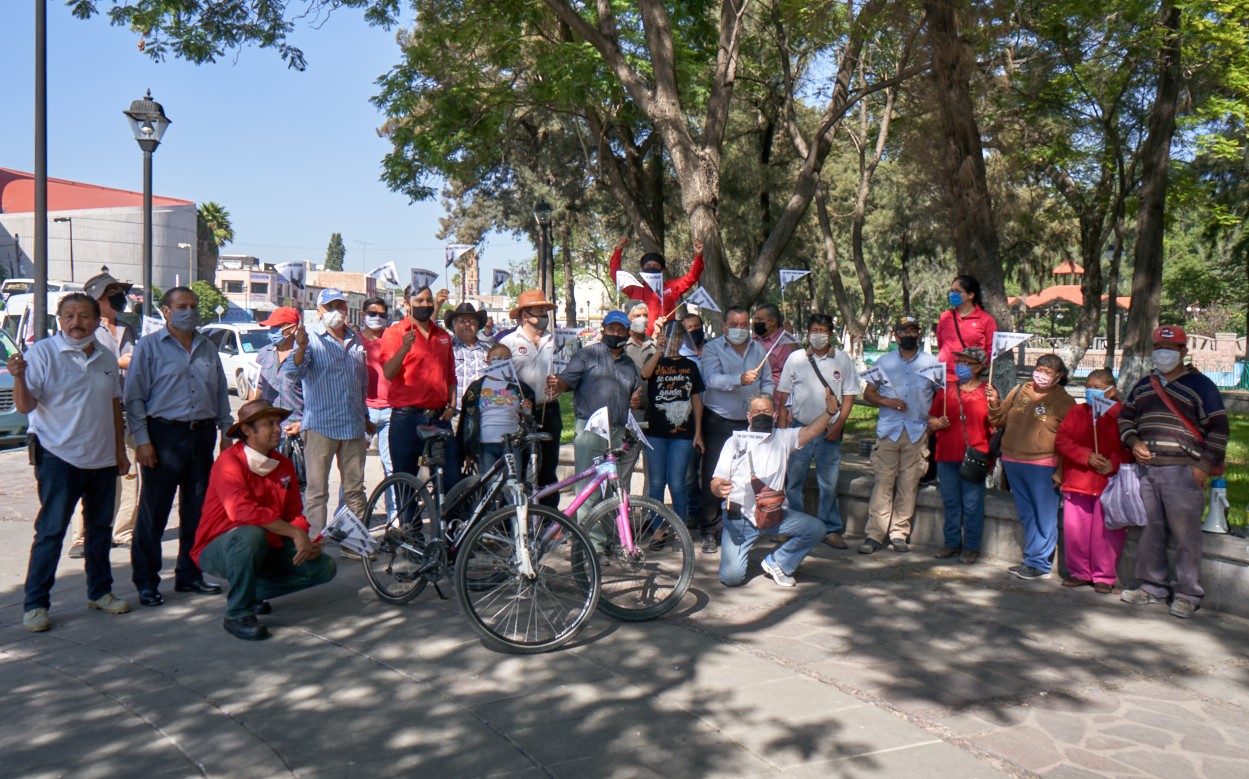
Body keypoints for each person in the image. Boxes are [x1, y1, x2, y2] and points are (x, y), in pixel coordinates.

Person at [12, 293, 132, 632]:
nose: (76, 322)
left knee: (99, 531)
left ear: (96, 321)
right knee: (51, 532)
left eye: (83, 316)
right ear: (60, 320)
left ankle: (100, 591)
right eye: (69, 316)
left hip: (102, 458)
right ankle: (36, 605)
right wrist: (19, 377)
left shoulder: (107, 357)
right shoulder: (42, 354)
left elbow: (113, 403)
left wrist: (119, 452)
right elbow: (25, 407)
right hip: (58, 457)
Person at [192, 400, 337, 641]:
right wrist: (294, 533)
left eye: (278, 423)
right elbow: (242, 512)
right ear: (247, 430)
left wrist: (304, 539)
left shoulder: (283, 463)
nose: (278, 429)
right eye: (269, 424)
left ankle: (249, 592)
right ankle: (238, 613)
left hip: (269, 544)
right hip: (220, 546)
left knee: (324, 567)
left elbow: (294, 513)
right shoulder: (229, 462)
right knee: (251, 534)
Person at [126, 287, 232, 607]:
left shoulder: (207, 347)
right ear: (166, 311)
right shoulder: (149, 347)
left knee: (197, 511)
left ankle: (190, 573)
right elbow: (134, 399)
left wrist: (227, 431)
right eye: (181, 306)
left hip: (202, 437)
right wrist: (143, 441)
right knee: (154, 511)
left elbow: (221, 394)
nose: (189, 311)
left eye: (193, 306)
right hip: (163, 437)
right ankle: (146, 581)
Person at [1118, 325, 1229, 619]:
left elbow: (1219, 428)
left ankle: (1187, 593)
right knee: (1150, 530)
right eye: (1158, 349)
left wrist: (1204, 465)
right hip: (1148, 468)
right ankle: (1152, 586)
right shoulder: (1143, 385)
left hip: (1184, 471)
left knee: (1186, 535)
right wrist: (1133, 441)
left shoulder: (1202, 386)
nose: (1163, 354)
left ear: (1183, 351)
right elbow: (1125, 417)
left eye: (1170, 349)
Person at [712, 391, 842, 587]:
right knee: (731, 578)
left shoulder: (783, 437)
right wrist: (718, 488)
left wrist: (830, 412)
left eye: (766, 411)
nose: (761, 415)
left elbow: (812, 431)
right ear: (748, 416)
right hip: (740, 517)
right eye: (756, 411)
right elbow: (716, 481)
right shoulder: (734, 442)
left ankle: (779, 562)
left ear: (774, 415)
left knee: (816, 529)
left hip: (774, 513)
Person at [288, 288, 373, 541]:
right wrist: (300, 348)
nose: (336, 311)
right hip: (320, 427)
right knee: (316, 491)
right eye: (330, 306)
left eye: (340, 306)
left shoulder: (355, 339)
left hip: (353, 426)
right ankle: (313, 544)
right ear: (319, 311)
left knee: (354, 491)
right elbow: (293, 373)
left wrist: (366, 417)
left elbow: (361, 383)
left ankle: (353, 542)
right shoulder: (309, 337)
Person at [546, 310, 643, 522]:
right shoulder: (587, 355)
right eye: (611, 329)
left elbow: (636, 395)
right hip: (592, 431)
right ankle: (588, 547)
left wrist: (636, 400)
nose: (615, 333)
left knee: (615, 491)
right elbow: (566, 380)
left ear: (627, 333)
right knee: (590, 491)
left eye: (620, 330)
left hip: (620, 433)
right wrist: (558, 384)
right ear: (603, 330)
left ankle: (607, 541)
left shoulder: (630, 365)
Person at [68, 272, 139, 558]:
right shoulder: (85, 329)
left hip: (128, 409)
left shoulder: (127, 328)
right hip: (95, 412)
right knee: (90, 474)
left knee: (131, 473)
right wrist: (117, 362)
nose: (120, 298)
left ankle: (124, 531)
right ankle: (82, 536)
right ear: (99, 298)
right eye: (113, 293)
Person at [987, 353, 1076, 580]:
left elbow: (1069, 439)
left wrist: (1060, 471)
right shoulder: (1019, 391)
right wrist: (995, 402)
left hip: (1044, 464)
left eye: (1048, 371)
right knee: (1027, 513)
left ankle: (1039, 563)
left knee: (1044, 515)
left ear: (1059, 376)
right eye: (1040, 368)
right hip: (1013, 460)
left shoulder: (1065, 402)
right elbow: (999, 421)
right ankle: (1031, 558)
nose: (1042, 374)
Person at [776, 313, 860, 549]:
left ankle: (830, 529)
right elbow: (783, 394)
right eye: (815, 330)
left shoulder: (842, 359)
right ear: (808, 332)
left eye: (823, 331)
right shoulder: (795, 358)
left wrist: (839, 424)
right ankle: (793, 526)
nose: (819, 335)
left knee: (829, 483)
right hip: (800, 430)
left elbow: (849, 395)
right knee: (794, 481)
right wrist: (783, 426)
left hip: (829, 432)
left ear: (831, 334)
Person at [858, 316, 941, 555]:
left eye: (914, 330)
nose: (910, 334)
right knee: (883, 484)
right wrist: (887, 401)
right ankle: (874, 534)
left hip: (917, 433)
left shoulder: (931, 362)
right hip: (889, 432)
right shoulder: (882, 361)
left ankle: (899, 533)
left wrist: (931, 426)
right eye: (904, 331)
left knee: (909, 485)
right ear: (896, 335)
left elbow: (940, 398)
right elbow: (869, 393)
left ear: (919, 334)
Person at [697, 306, 774, 553]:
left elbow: (768, 382)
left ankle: (741, 525)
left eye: (744, 325)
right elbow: (711, 379)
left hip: (751, 423)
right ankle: (710, 529)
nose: (740, 329)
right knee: (714, 473)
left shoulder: (759, 348)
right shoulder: (712, 348)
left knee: (747, 475)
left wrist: (766, 406)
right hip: (720, 420)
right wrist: (738, 379)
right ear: (724, 326)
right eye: (735, 325)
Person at [1054, 369, 1131, 593]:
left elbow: (1131, 446)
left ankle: (1104, 576)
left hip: (1110, 483)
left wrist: (1113, 462)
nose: (1091, 391)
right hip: (1079, 479)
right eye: (1089, 386)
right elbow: (1062, 440)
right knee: (1075, 528)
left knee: (1107, 532)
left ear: (1112, 390)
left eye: (1097, 387)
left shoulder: (1122, 414)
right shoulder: (1078, 411)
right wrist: (1085, 456)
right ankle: (1079, 572)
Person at [381, 286, 456, 484]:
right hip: (407, 419)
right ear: (407, 304)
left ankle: (446, 515)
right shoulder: (394, 333)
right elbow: (388, 372)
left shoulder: (443, 335)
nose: (425, 305)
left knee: (450, 478)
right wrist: (404, 348)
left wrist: (452, 405)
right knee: (406, 481)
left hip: (439, 417)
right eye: (419, 301)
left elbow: (450, 374)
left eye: (428, 300)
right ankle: (408, 516)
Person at [927, 346, 992, 565]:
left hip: (974, 454)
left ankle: (971, 546)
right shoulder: (946, 390)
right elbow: (930, 417)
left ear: (979, 367)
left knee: (973, 503)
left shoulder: (988, 390)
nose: (961, 366)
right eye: (959, 361)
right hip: (946, 453)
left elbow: (997, 422)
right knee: (951, 501)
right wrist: (935, 423)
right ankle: (951, 542)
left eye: (967, 362)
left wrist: (997, 404)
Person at [499, 289, 561, 506]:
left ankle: (549, 522)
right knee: (518, 467)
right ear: (525, 314)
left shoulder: (557, 341)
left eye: (545, 310)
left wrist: (561, 385)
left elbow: (568, 373)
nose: (544, 315)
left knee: (548, 468)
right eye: (539, 310)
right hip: (518, 414)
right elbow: (499, 380)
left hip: (550, 409)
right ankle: (516, 520)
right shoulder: (508, 342)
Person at [641, 321, 705, 527]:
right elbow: (645, 374)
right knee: (657, 483)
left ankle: (680, 528)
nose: (674, 340)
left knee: (677, 483)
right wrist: (659, 352)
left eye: (679, 336)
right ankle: (657, 528)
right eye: (670, 336)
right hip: (655, 432)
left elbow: (696, 399)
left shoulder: (690, 365)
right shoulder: (654, 360)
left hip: (683, 434)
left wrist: (698, 432)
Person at [458, 344, 535, 474]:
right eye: (497, 358)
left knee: (513, 487)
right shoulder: (475, 387)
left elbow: (530, 420)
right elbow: (466, 420)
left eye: (506, 359)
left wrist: (528, 410)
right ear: (488, 361)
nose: (501, 362)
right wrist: (467, 451)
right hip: (484, 446)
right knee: (490, 487)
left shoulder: (521, 388)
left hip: (512, 444)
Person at [608, 237, 706, 334]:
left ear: (662, 270)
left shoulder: (670, 288)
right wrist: (618, 249)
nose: (652, 268)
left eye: (655, 266)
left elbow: (691, 277)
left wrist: (698, 255)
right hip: (639, 340)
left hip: (664, 340)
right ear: (643, 269)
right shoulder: (634, 288)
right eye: (648, 266)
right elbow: (616, 275)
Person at [448, 301, 492, 478]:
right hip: (455, 414)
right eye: (462, 320)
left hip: (483, 415)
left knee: (484, 467)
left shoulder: (489, 349)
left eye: (472, 320)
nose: (467, 324)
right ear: (453, 324)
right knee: (451, 464)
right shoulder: (446, 348)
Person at [360, 297, 394, 516]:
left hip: (391, 410)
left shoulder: (392, 339)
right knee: (354, 469)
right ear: (363, 314)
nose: (377, 318)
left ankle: (395, 518)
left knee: (391, 468)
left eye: (382, 315)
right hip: (363, 412)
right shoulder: (354, 341)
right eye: (373, 313)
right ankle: (349, 517)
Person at [250, 306, 305, 433]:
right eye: (271, 327)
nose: (271, 331)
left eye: (276, 327)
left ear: (292, 329)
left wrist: (303, 424)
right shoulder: (264, 354)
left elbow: (315, 396)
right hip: (267, 429)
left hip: (295, 430)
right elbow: (257, 388)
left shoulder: (304, 356)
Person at [936, 274, 997, 380]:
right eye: (951, 291)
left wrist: (974, 368)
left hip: (971, 378)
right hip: (945, 376)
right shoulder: (945, 317)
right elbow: (941, 343)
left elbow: (990, 349)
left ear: (971, 295)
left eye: (957, 291)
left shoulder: (986, 320)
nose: (952, 294)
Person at [752, 303, 796, 396]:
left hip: (779, 397)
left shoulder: (787, 340)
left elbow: (799, 363)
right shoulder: (752, 341)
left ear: (772, 322)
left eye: (759, 320)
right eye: (754, 319)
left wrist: (791, 338)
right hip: (755, 397)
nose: (755, 322)